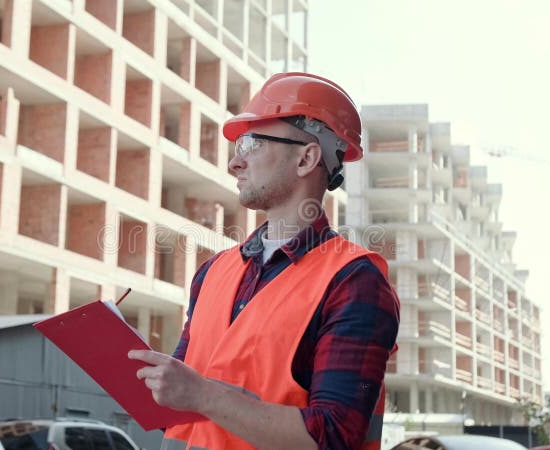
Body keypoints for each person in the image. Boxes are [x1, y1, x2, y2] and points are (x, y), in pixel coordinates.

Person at [128, 72, 400, 450]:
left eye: (252, 143)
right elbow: (176, 405)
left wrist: (203, 395)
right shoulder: (213, 273)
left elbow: (335, 437)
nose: (234, 163)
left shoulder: (354, 281)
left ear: (307, 158)